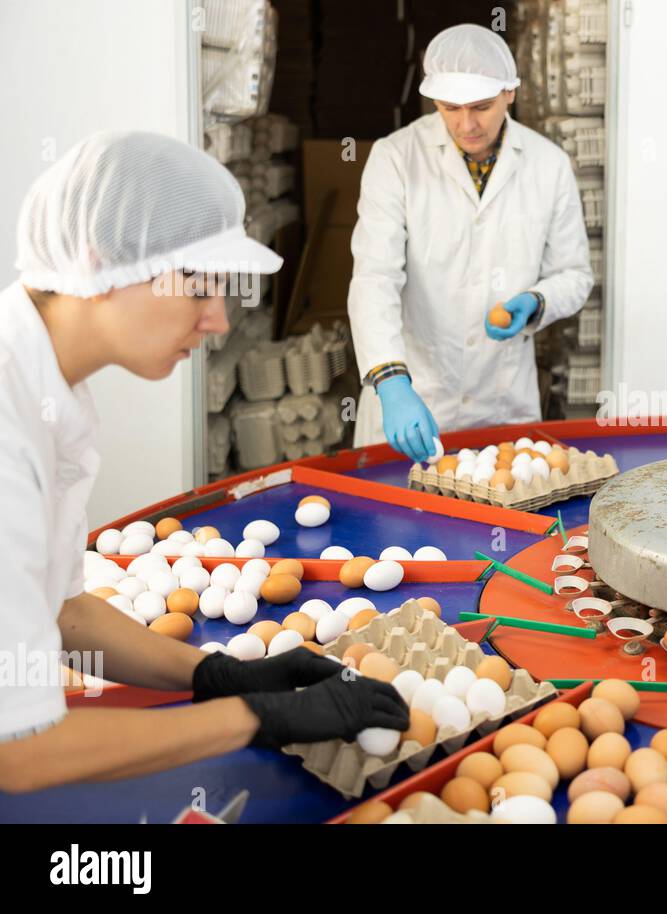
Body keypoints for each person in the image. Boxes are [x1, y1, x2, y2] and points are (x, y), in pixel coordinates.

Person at [0, 131, 407, 792]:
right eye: (196, 287)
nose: (218, 320)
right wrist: (253, 717)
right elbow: (19, 751)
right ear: (102, 261)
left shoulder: (45, 385)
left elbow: (62, 613)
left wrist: (213, 673)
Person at [348, 23, 594, 462]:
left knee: (504, 513)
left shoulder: (548, 165)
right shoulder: (396, 157)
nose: (466, 125)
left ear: (510, 93)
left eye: (481, 106)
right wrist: (390, 380)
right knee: (399, 525)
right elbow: (374, 276)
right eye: (449, 108)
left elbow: (575, 274)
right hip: (418, 393)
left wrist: (537, 301)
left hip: (500, 398)